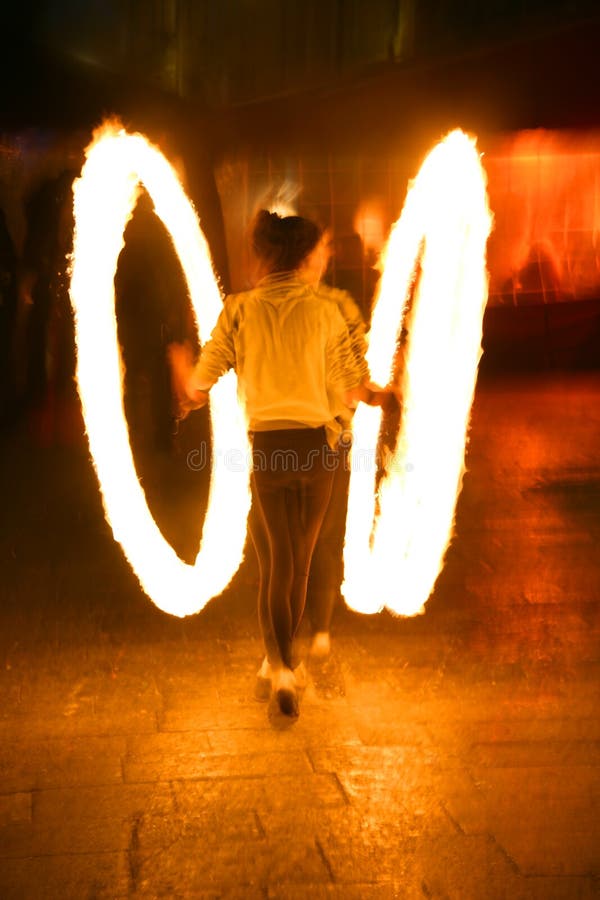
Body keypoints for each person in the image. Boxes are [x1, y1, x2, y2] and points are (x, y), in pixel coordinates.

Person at [170, 210, 385, 717]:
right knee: (300, 561)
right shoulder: (326, 312)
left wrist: (180, 369)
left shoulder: (239, 310)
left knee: (276, 562)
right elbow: (353, 389)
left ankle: (281, 668)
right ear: (306, 257)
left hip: (268, 449)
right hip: (317, 449)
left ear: (266, 257)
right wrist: (388, 395)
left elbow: (198, 389)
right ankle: (281, 663)